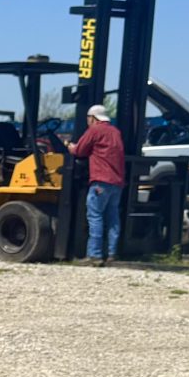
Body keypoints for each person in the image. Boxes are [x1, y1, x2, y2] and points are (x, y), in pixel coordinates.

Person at [67, 104, 126, 265]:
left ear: (93, 118)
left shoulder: (95, 130)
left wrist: (69, 146)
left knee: (95, 216)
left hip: (100, 180)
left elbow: (80, 150)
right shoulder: (115, 131)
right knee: (113, 217)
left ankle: (95, 255)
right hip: (117, 181)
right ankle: (112, 253)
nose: (87, 121)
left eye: (88, 118)